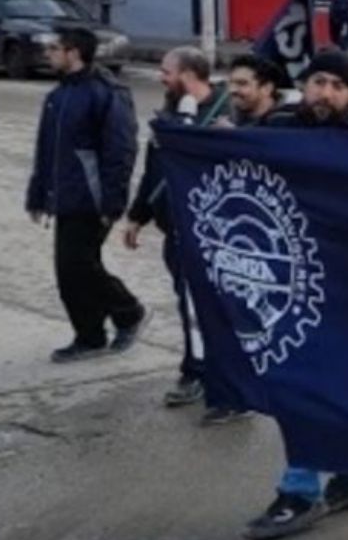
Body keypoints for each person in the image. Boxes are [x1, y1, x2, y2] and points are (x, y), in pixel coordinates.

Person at [244, 50, 348, 540]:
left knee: (328, 385)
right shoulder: (279, 127)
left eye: (336, 86)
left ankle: (307, 489)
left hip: (346, 285)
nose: (325, 93)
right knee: (299, 384)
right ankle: (338, 479)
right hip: (289, 283)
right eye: (317, 81)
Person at [123, 46, 238, 416]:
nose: (161, 77)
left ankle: (214, 378)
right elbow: (154, 172)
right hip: (175, 231)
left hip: (213, 235)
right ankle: (197, 370)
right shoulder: (170, 117)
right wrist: (138, 216)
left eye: (166, 71)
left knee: (213, 309)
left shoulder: (225, 119)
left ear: (188, 75)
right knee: (187, 306)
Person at [25, 26, 143, 364]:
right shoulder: (59, 96)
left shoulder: (106, 93)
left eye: (53, 48)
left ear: (73, 52)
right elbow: (46, 151)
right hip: (67, 196)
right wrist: (38, 195)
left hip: (93, 198)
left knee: (77, 265)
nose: (47, 53)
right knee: (72, 270)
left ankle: (127, 312)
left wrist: (112, 201)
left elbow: (120, 151)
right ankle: (90, 335)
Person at [223, 53, 296, 126]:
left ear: (267, 88)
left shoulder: (289, 121)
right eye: (230, 83)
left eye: (242, 83)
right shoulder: (228, 118)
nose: (232, 90)